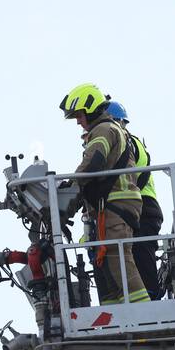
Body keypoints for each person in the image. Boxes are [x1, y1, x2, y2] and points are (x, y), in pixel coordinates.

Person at [58, 83, 148, 304]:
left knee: (120, 265)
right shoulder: (108, 129)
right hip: (112, 209)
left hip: (116, 208)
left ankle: (149, 325)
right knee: (109, 275)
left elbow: (92, 164)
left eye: (79, 115)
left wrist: (66, 192)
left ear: (90, 109)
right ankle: (121, 322)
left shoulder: (103, 130)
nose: (78, 121)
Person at [107, 101, 164, 299]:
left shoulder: (128, 143)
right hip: (136, 205)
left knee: (141, 254)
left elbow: (127, 178)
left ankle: (151, 299)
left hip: (144, 206)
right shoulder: (126, 143)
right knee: (133, 255)